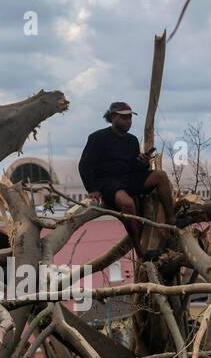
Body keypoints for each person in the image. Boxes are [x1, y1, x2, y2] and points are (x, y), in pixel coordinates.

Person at [78, 101, 183, 261]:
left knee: (160, 176)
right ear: (113, 117)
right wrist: (92, 189)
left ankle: (171, 219)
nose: (128, 121)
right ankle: (140, 249)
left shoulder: (132, 140)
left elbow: (134, 168)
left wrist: (144, 162)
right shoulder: (97, 138)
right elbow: (85, 165)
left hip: (127, 178)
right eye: (124, 118)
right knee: (127, 203)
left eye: (129, 118)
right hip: (108, 182)